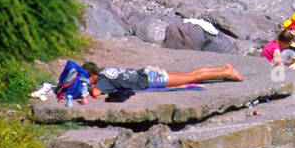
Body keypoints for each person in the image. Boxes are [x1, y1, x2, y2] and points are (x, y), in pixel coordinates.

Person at [86, 60, 243, 98]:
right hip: (149, 71)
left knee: (191, 77)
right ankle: (223, 69)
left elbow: (95, 93)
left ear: (93, 76)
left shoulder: (101, 80)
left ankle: (226, 73)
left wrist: (88, 88)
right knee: (190, 75)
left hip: (152, 79)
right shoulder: (105, 70)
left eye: (89, 79)